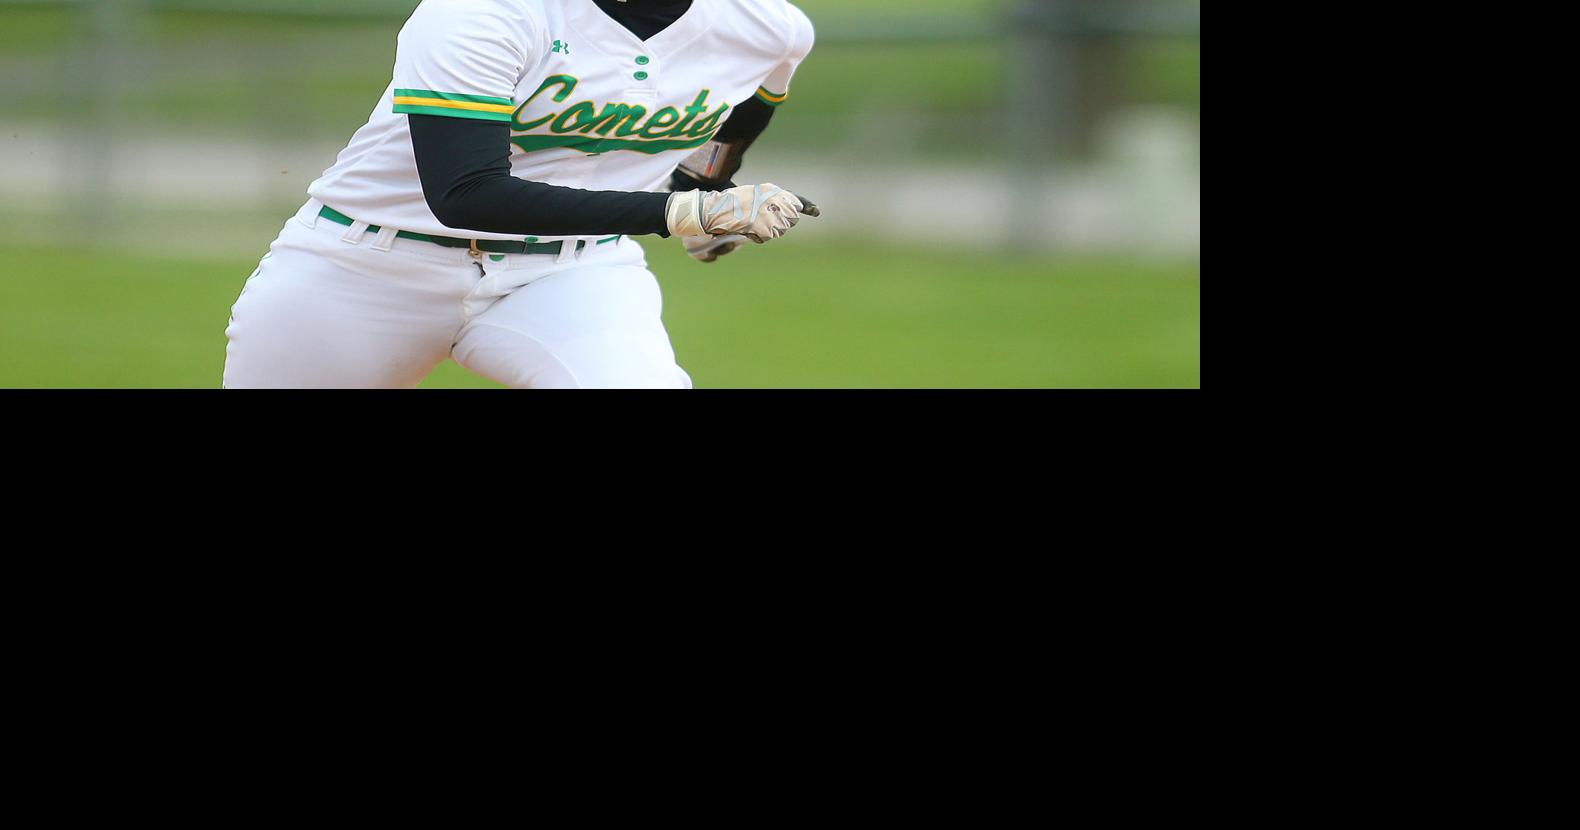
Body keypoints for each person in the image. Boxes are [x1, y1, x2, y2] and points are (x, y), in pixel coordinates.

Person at [223, 0, 817, 389]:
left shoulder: (768, 27)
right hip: (365, 266)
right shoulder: (486, 11)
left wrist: (704, 187)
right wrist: (686, 211)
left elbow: (730, 127)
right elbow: (466, 193)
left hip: (574, 271)